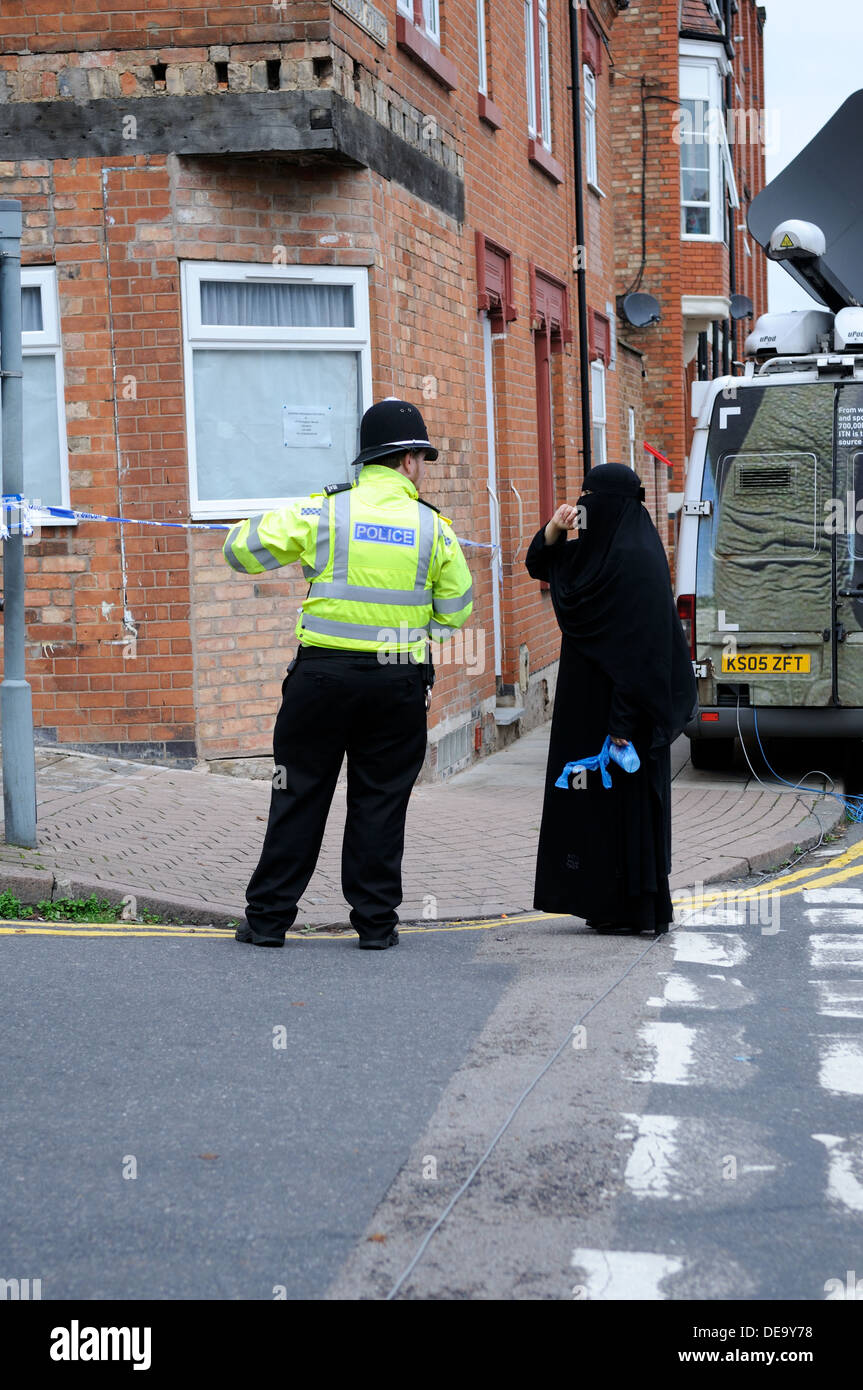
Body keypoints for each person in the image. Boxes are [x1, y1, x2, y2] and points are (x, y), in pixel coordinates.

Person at [223, 398, 474, 949]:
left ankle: (267, 922)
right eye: (422, 458)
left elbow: (239, 551)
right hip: (396, 681)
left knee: (298, 794)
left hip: (321, 681)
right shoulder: (434, 528)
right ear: (408, 460)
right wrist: (412, 636)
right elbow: (456, 612)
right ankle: (376, 926)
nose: (423, 468)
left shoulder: (324, 513)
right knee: (380, 801)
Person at [525, 463, 697, 934]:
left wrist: (621, 727)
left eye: (589, 496)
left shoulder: (636, 563)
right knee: (593, 813)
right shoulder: (592, 556)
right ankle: (602, 904)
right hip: (588, 711)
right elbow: (538, 564)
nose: (583, 505)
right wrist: (556, 528)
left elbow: (640, 654)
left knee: (628, 812)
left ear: (611, 503)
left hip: (628, 718)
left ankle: (634, 909)